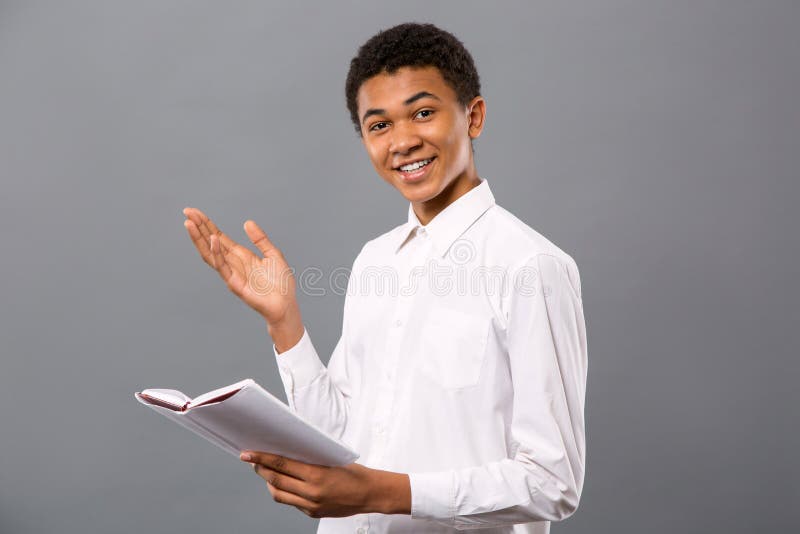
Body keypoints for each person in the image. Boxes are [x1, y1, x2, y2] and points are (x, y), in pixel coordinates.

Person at [183, 22, 587, 534]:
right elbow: (342, 437)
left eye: (423, 112)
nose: (402, 141)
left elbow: (553, 482)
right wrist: (285, 323)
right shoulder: (375, 261)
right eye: (379, 125)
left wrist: (380, 492)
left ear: (473, 116)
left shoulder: (531, 267)